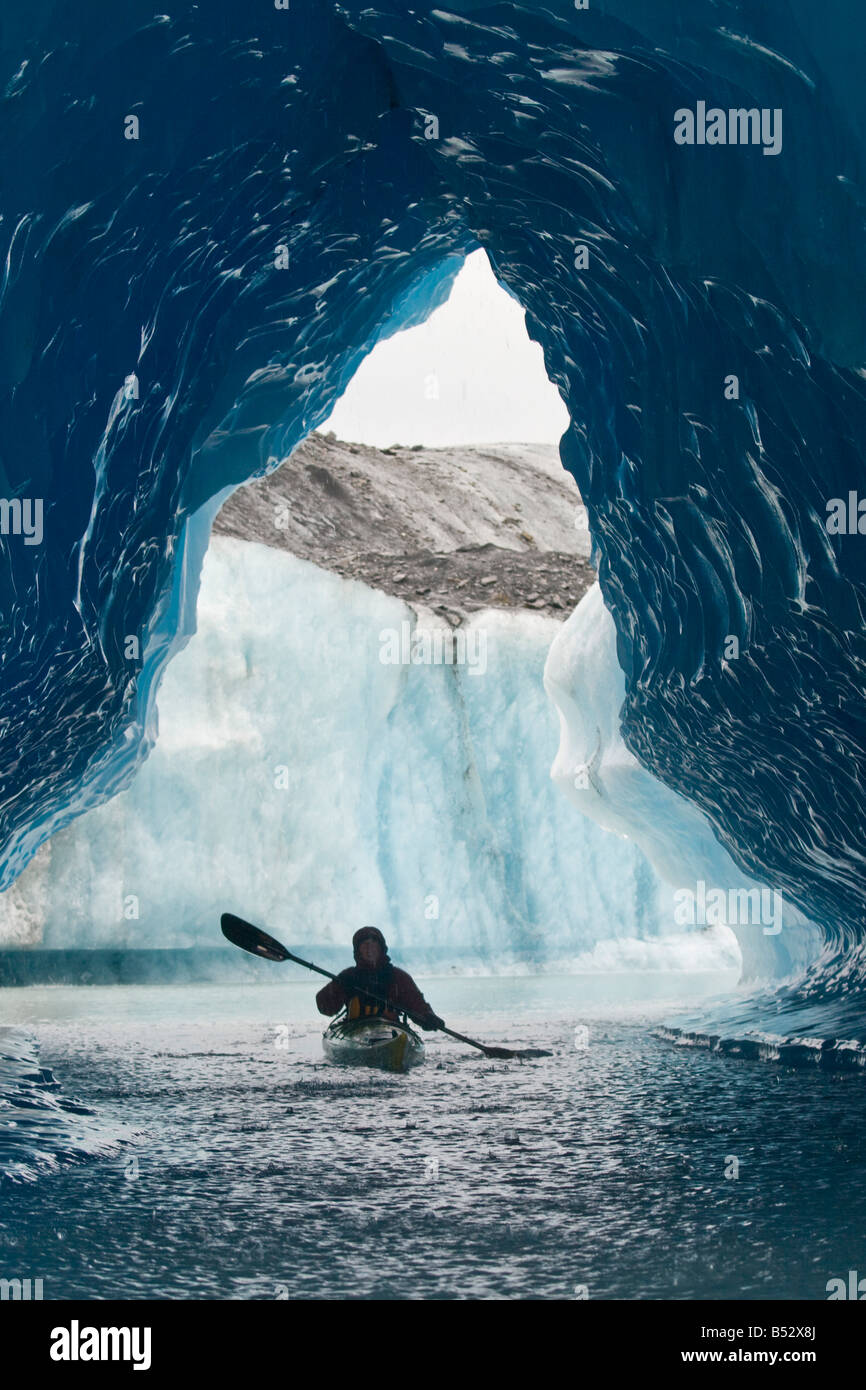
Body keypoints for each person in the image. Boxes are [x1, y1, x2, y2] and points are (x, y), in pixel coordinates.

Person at [316, 926, 444, 1030]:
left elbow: (416, 1003)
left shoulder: (398, 977)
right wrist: (339, 987)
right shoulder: (348, 976)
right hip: (354, 1030)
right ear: (358, 950)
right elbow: (325, 1007)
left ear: (381, 948)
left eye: (373, 944)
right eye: (364, 945)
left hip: (390, 1030)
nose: (369, 949)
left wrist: (428, 1017)